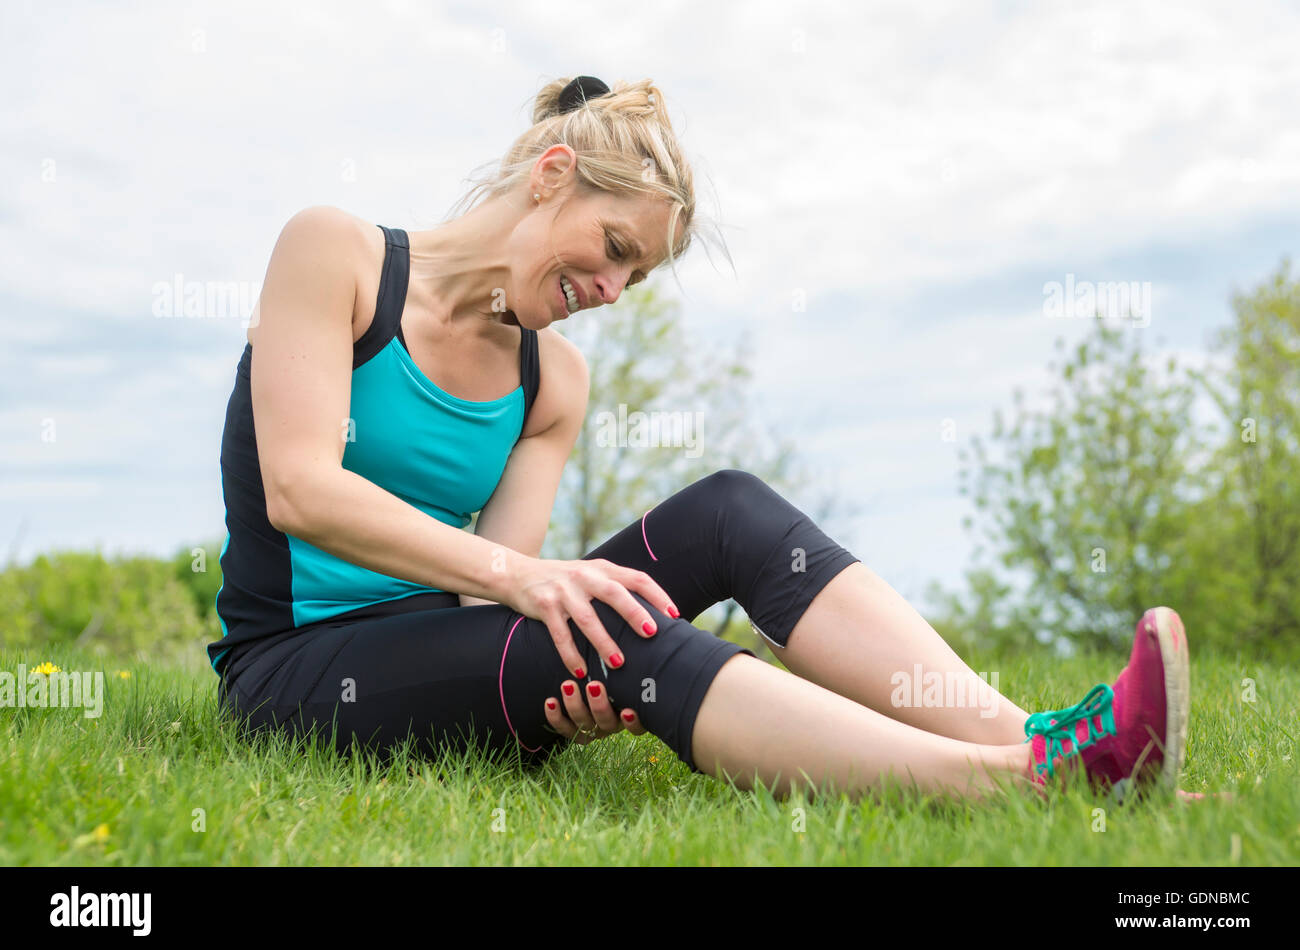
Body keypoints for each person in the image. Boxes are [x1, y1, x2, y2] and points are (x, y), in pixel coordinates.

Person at [208, 75, 1191, 802]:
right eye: (615, 251)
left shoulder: (552, 379)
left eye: (633, 280)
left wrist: (540, 629)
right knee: (628, 631)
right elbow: (299, 488)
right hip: (298, 668)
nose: (609, 291)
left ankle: (1056, 743)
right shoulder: (333, 252)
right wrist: (532, 589)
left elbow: (478, 593)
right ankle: (1020, 784)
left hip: (441, 656)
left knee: (727, 511)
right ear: (552, 176)